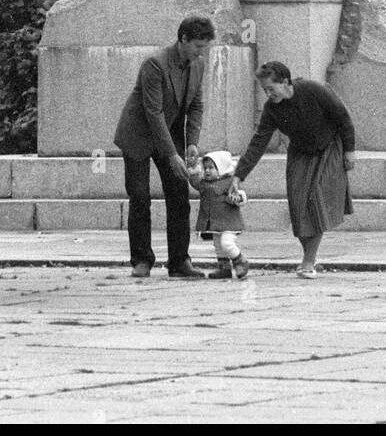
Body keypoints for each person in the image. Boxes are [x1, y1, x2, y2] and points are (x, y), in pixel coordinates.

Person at [229, 62, 355, 278]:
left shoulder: (313, 90)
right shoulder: (272, 110)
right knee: (298, 207)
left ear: (285, 82)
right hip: (300, 152)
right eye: (264, 90)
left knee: (315, 200)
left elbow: (343, 117)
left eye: (271, 88)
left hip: (328, 147)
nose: (268, 94)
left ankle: (308, 262)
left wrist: (349, 150)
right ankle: (308, 257)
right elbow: (259, 142)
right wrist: (239, 175)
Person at [113, 15, 214, 280]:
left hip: (170, 133)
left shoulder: (198, 65)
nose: (201, 52)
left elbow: (196, 106)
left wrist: (192, 143)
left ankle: (180, 261)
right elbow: (153, 112)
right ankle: (142, 259)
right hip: (138, 134)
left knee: (179, 195)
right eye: (197, 46)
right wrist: (171, 155)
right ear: (182, 39)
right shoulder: (155, 64)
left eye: (204, 47)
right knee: (140, 196)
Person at [188, 150, 250, 280]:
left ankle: (240, 261)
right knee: (218, 245)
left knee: (227, 243)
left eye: (211, 168)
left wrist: (236, 198)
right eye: (205, 168)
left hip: (229, 223)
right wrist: (193, 168)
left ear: (221, 168)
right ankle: (224, 268)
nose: (207, 171)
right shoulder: (204, 183)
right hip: (214, 223)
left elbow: (241, 195)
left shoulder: (229, 182)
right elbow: (194, 182)